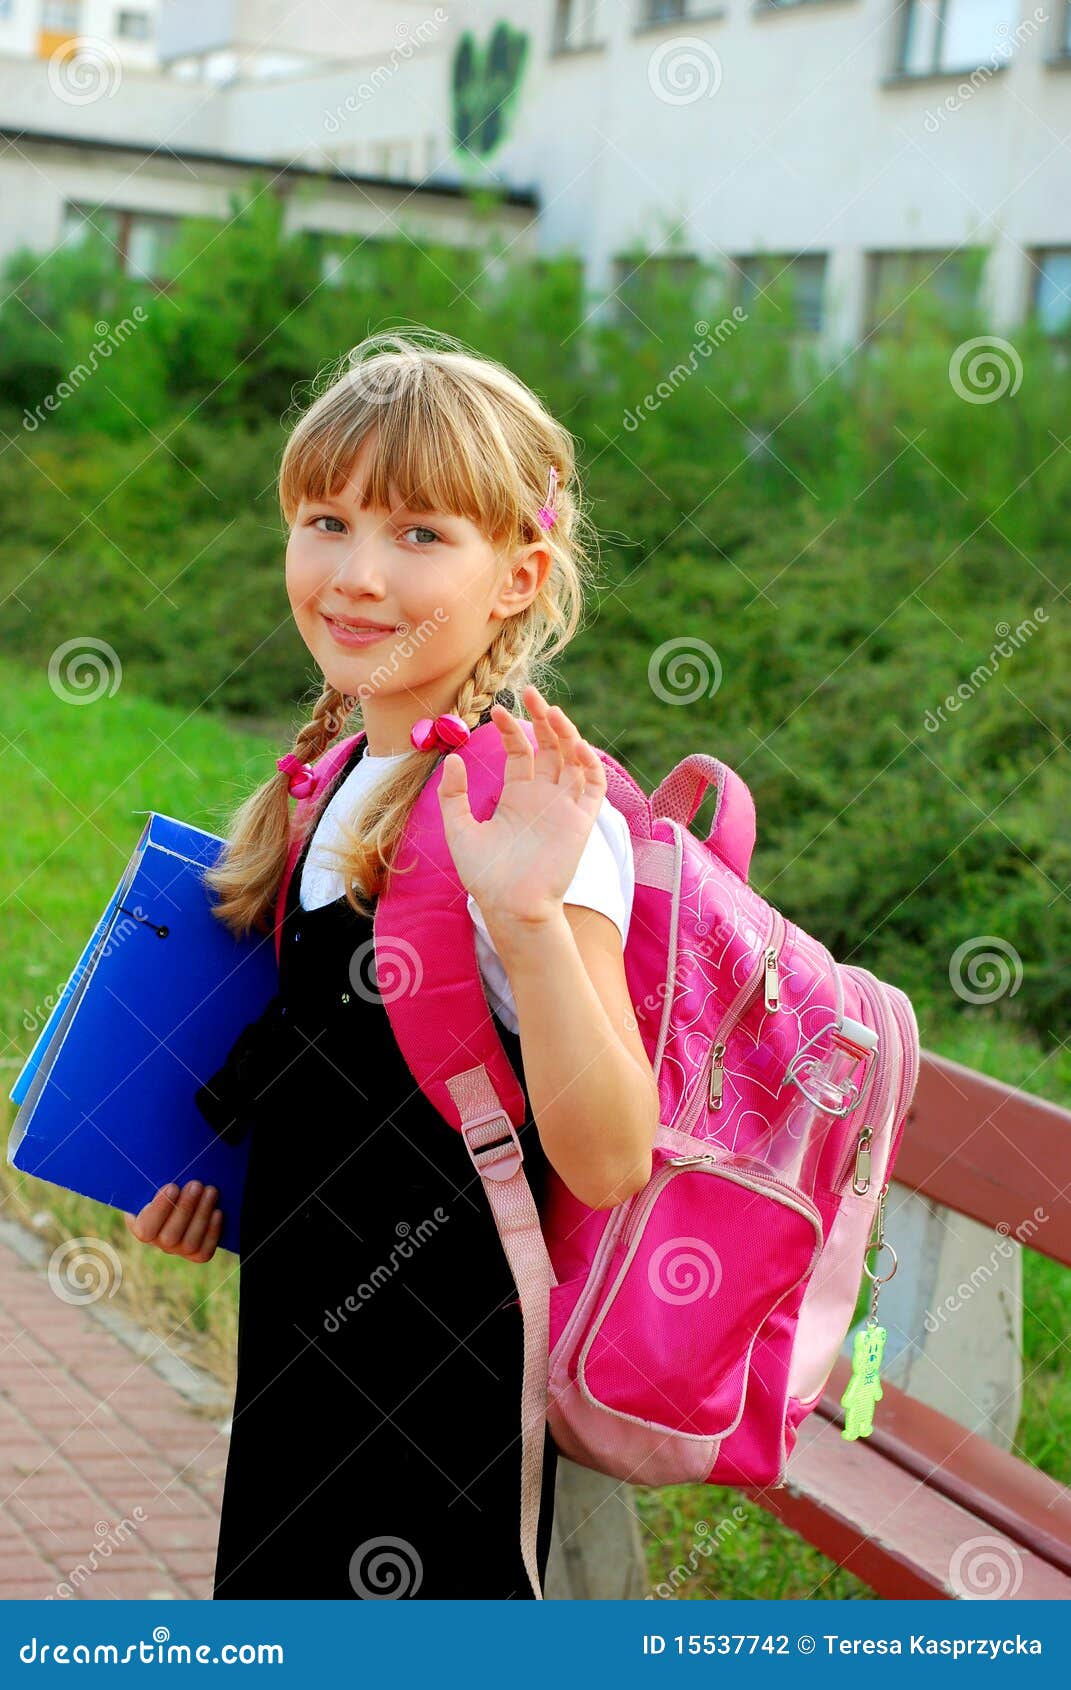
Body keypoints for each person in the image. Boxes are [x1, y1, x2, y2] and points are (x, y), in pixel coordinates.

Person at [123, 326, 661, 1600]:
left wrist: (529, 920)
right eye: (326, 519)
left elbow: (610, 1154)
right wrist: (219, 1185)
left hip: (448, 1395)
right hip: (307, 1362)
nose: (358, 574)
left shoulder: (529, 817)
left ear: (518, 575)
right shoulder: (331, 784)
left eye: (421, 534)